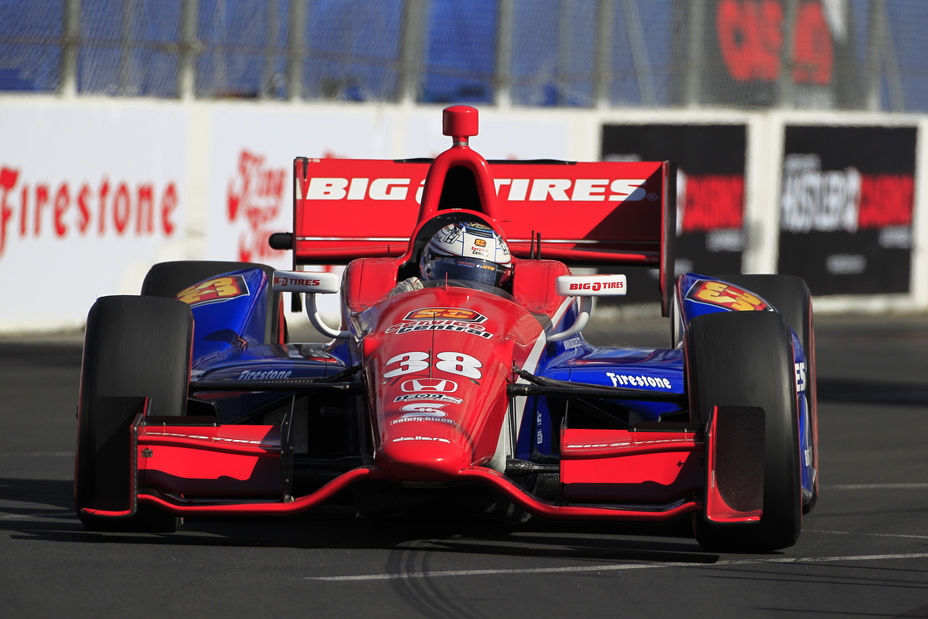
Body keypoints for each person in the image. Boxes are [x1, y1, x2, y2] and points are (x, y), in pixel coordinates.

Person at [390, 221, 512, 295]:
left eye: (484, 279)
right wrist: (395, 302)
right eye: (455, 274)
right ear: (428, 264)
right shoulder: (410, 293)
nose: (467, 289)